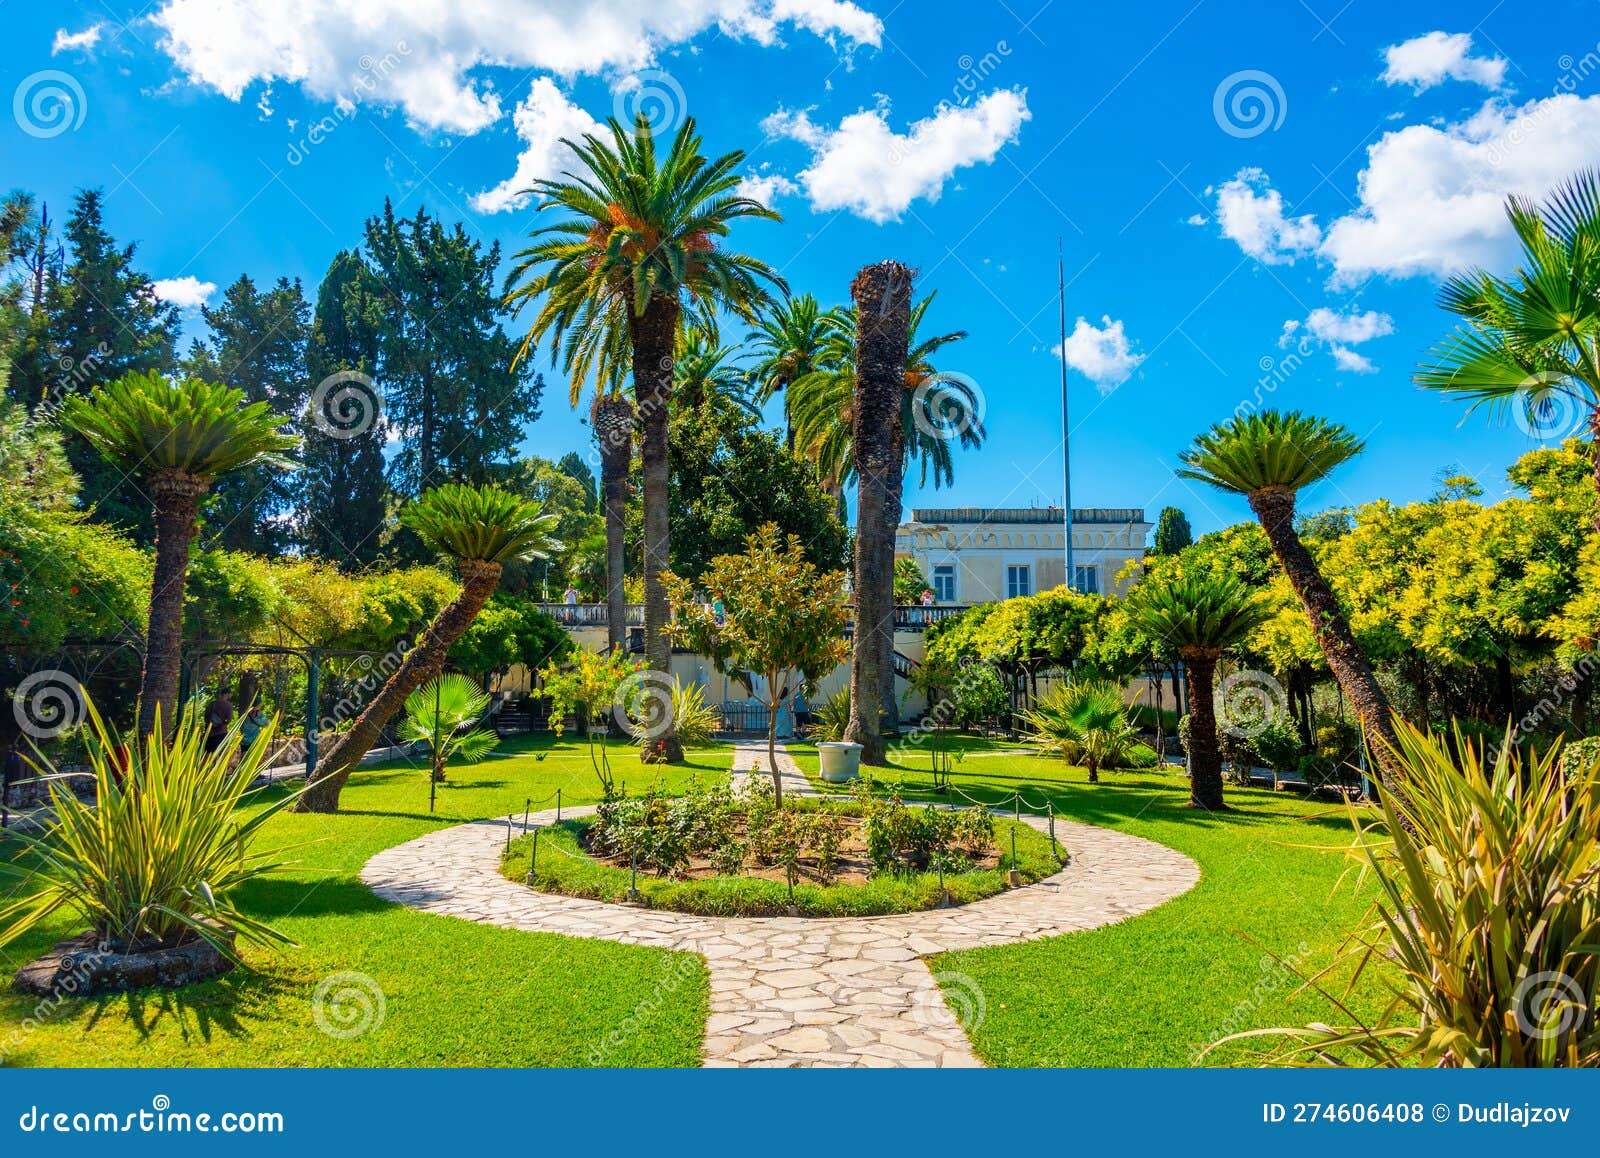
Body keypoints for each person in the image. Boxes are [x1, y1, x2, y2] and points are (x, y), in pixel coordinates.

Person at [203, 688, 234, 754]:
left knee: (207, 755)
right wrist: (222, 723)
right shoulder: (229, 705)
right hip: (221, 732)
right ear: (227, 694)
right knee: (220, 755)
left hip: (209, 733)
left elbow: (206, 718)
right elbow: (229, 719)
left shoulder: (211, 704)